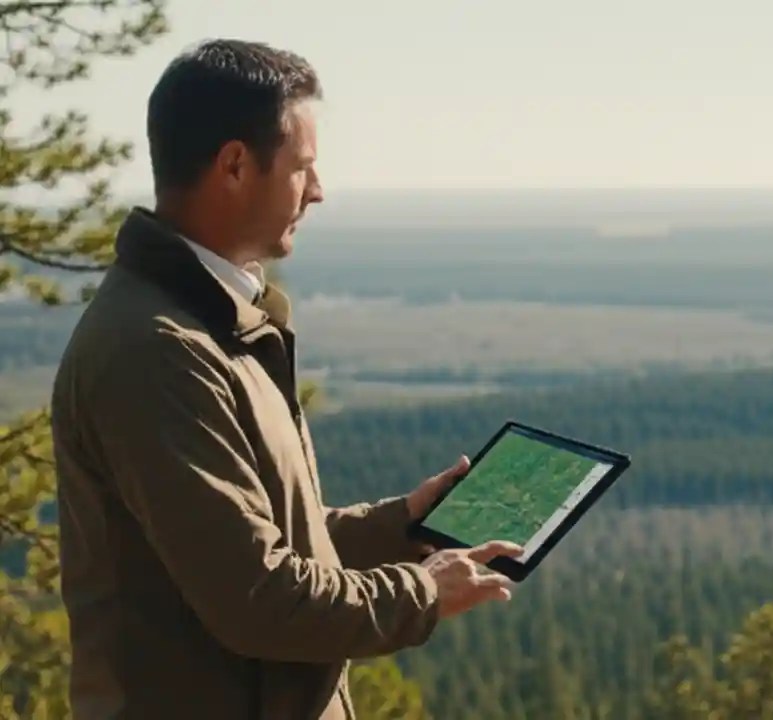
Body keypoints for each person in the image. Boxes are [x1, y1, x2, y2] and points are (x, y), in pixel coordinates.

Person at [50, 38, 521, 719]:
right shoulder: (158, 350)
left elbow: (257, 538)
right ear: (236, 165)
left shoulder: (214, 322)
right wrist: (421, 591)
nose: (319, 191)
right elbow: (258, 599)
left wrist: (403, 525)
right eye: (303, 167)